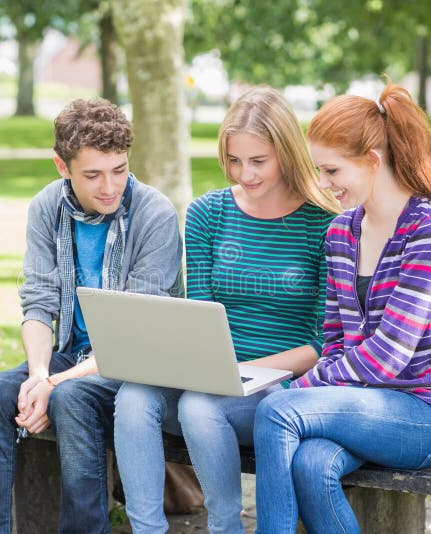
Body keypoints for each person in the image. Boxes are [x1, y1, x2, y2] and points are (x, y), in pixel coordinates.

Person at [253, 84, 431, 533]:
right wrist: (318, 385)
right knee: (310, 463)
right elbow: (337, 342)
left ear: (373, 161)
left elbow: (388, 356)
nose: (323, 184)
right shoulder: (342, 233)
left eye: (331, 170)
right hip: (364, 403)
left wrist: (300, 389)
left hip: (428, 411)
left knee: (277, 410)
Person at [114, 87, 339, 534]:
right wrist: (206, 366)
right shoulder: (207, 214)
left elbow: (322, 343)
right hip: (208, 372)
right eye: (234, 160)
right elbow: (197, 315)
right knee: (133, 396)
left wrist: (243, 370)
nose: (245, 173)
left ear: (287, 153)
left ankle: (225, 527)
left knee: (200, 407)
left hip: (278, 387)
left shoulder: (324, 222)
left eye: (258, 161)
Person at [0, 98, 184, 534]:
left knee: (70, 399)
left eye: (119, 170)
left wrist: (53, 384)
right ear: (62, 166)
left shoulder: (154, 214)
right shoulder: (47, 207)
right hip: (73, 356)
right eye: (93, 175)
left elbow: (134, 335)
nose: (109, 186)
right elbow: (39, 302)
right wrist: (40, 373)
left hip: (136, 368)